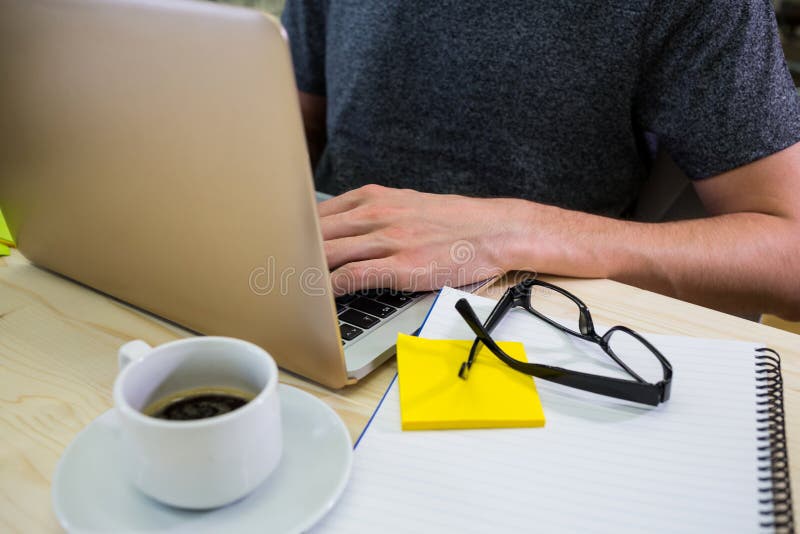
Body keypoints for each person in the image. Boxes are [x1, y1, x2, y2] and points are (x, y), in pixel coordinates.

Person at [281, 1, 800, 320]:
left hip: (521, 319)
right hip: (309, 280)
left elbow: (787, 255)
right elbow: (294, 126)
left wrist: (515, 229)